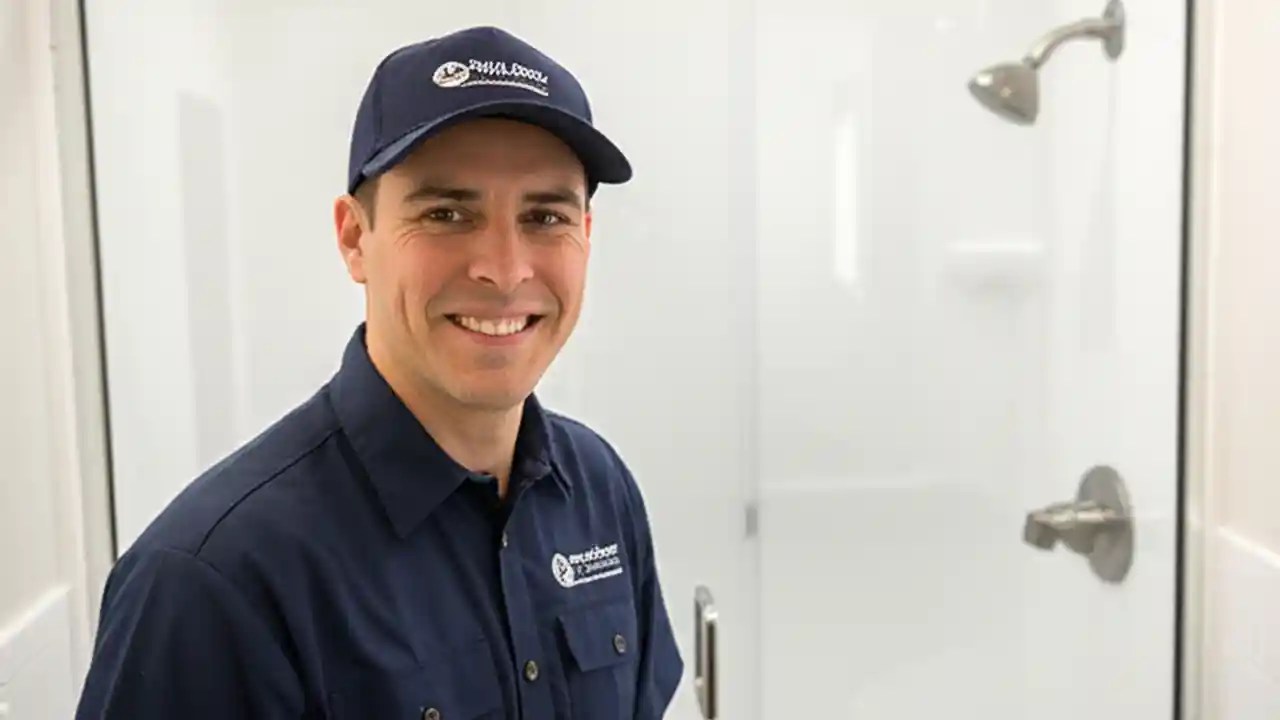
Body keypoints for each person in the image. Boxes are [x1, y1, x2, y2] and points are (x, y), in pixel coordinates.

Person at [76, 25, 683, 719]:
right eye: (448, 213)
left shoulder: (598, 489)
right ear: (354, 238)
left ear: (587, 237)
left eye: (545, 215)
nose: (506, 268)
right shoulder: (210, 581)